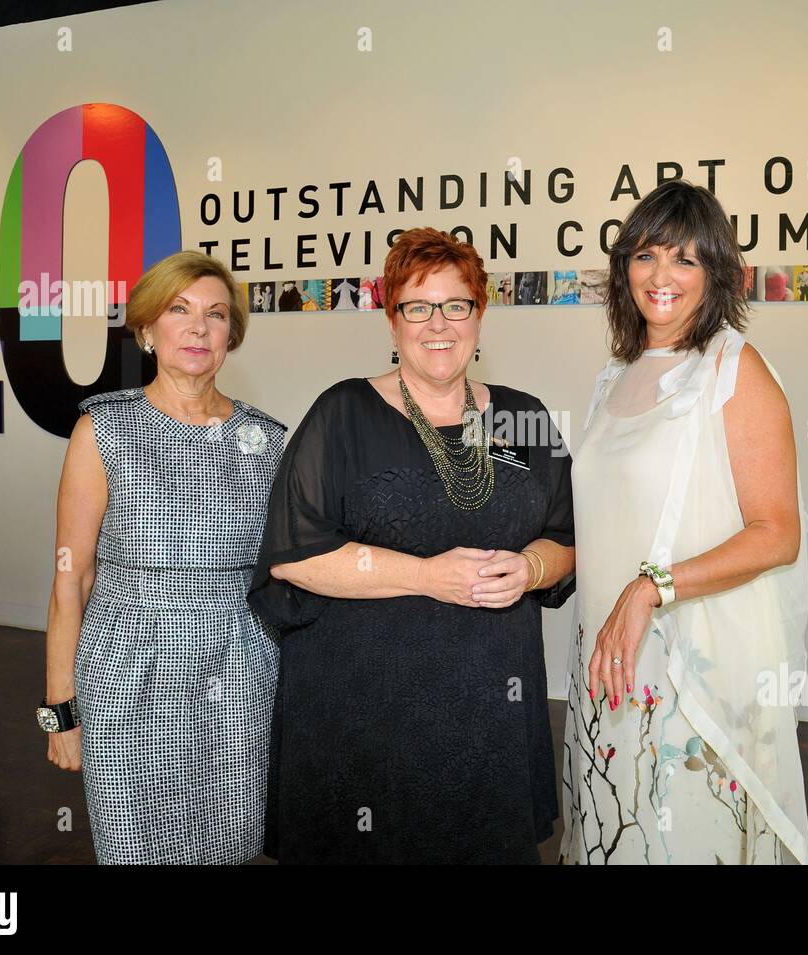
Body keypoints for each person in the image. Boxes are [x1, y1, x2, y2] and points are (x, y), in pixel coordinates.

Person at [247, 227, 576, 864]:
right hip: (367, 706)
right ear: (391, 321)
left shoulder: (524, 416)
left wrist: (531, 566)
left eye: (456, 305)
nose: (438, 324)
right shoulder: (341, 414)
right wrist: (429, 575)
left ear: (480, 316)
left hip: (490, 710)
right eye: (416, 307)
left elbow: (565, 538)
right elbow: (297, 553)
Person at [560, 180, 808, 865]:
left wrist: (651, 588)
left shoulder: (736, 369)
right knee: (618, 829)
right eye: (645, 256)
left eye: (684, 259)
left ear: (716, 273)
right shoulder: (614, 375)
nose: (661, 276)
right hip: (610, 661)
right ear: (624, 271)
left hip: (686, 670)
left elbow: (776, 531)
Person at [41, 250, 289, 863]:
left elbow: (292, 568)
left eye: (216, 314)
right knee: (133, 849)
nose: (199, 328)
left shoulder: (270, 439)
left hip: (240, 673)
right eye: (179, 310)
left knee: (232, 847)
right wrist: (58, 710)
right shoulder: (101, 429)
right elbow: (71, 577)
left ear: (232, 334)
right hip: (127, 672)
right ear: (148, 329)